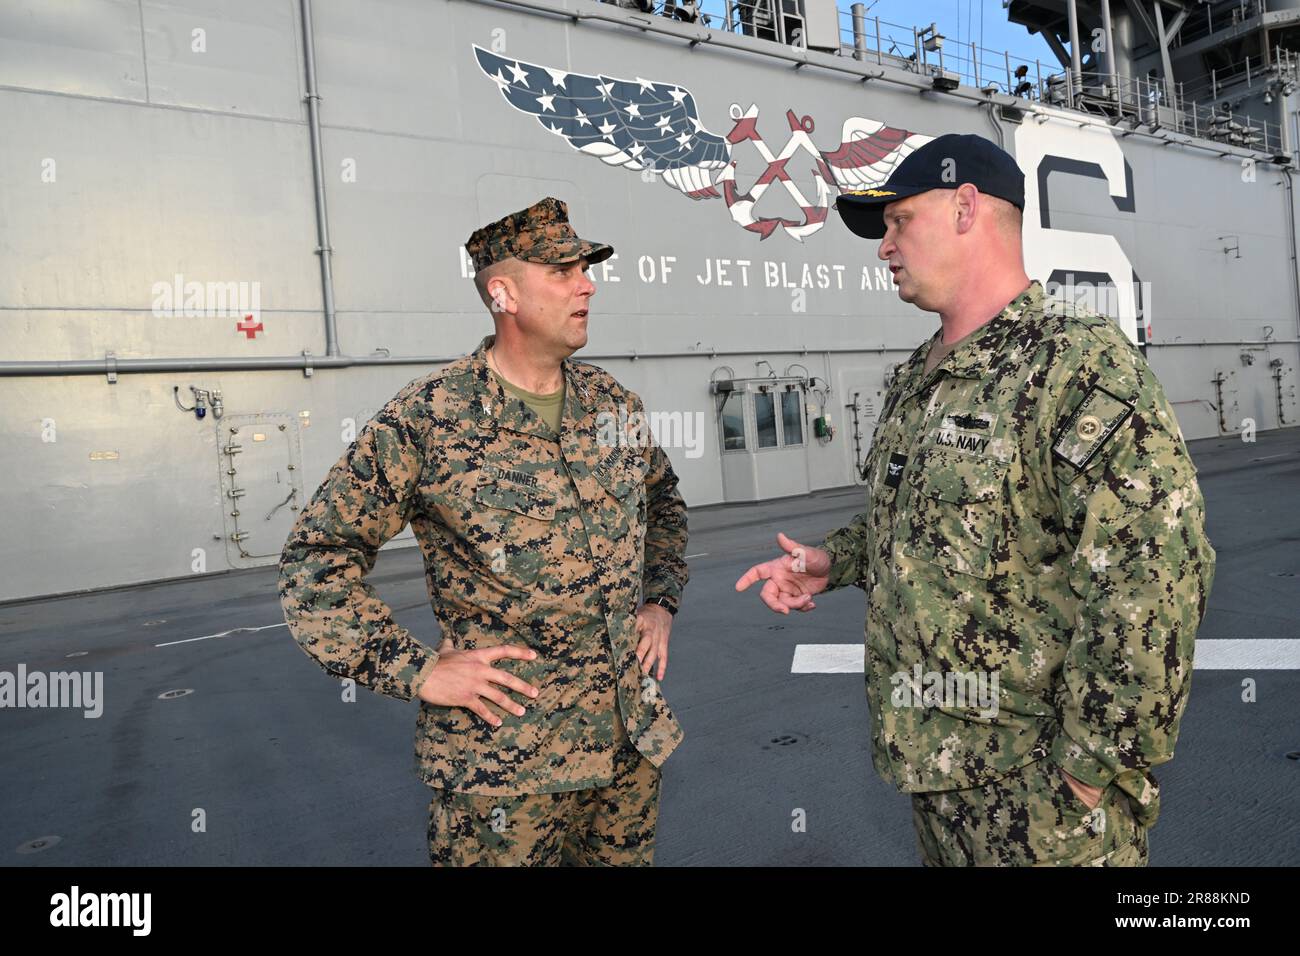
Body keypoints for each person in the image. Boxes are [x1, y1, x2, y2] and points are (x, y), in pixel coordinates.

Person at [735, 134, 1215, 866]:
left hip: (1039, 796)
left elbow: (1154, 577)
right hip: (936, 776)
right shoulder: (917, 377)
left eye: (900, 222)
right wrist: (834, 560)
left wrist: (1085, 773)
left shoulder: (1076, 364)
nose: (884, 247)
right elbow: (919, 520)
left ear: (966, 208)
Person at [279, 197, 690, 866]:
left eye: (586, 269)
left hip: (627, 746)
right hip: (503, 773)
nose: (586, 284)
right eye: (562, 271)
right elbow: (315, 562)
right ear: (503, 292)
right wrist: (419, 670)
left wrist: (659, 601)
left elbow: (664, 503)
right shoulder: (428, 418)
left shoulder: (613, 405)